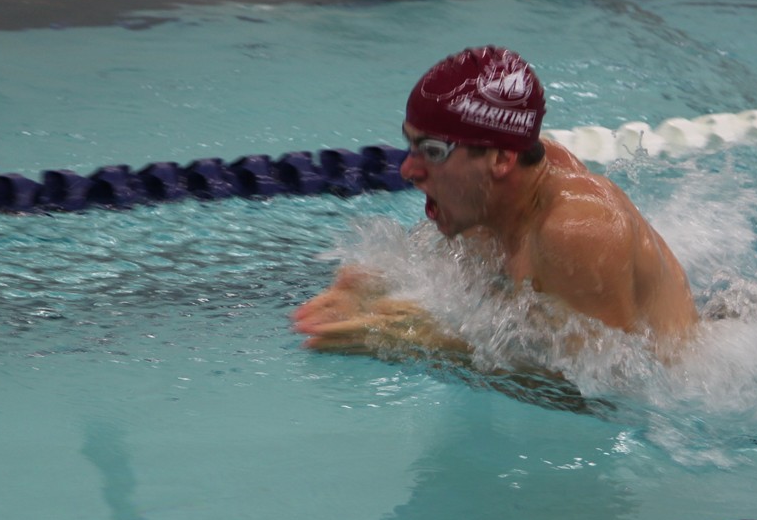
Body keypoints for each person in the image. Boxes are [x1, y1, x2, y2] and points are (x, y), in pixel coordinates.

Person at [292, 46, 700, 365]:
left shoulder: (577, 230)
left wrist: (422, 343)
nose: (407, 170)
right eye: (411, 145)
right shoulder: (487, 196)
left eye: (431, 151)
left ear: (501, 158)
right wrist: (358, 289)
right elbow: (435, 267)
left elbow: (611, 390)